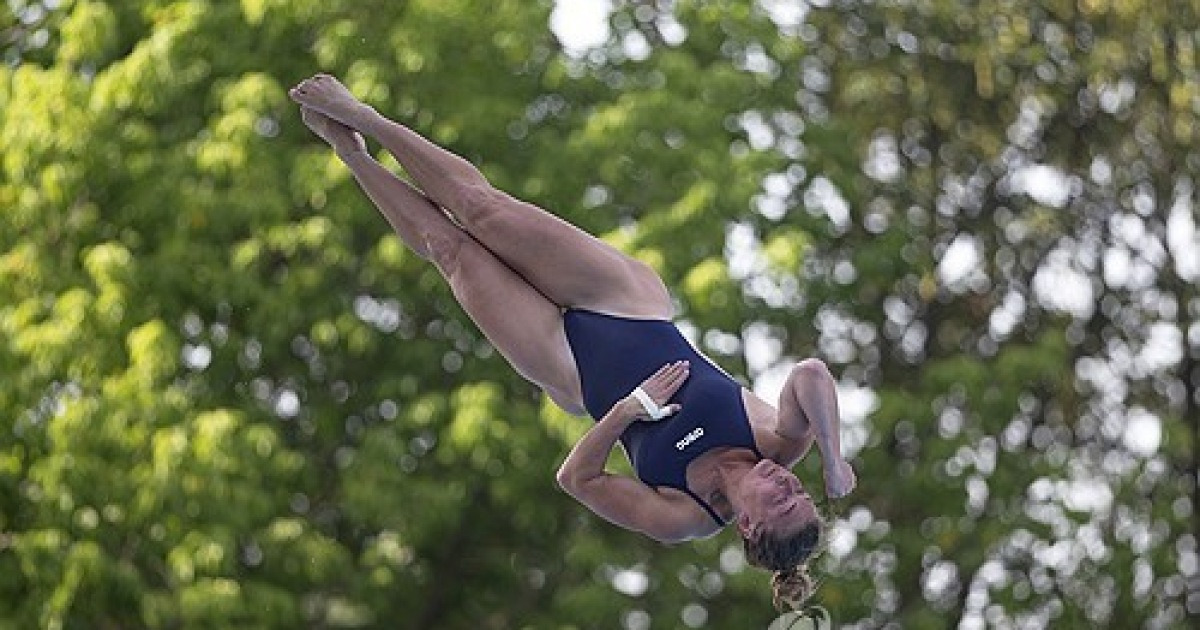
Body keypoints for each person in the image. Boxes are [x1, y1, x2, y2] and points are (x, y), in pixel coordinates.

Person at [288, 73, 857, 610]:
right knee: (484, 213)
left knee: (453, 252)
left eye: (782, 501)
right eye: (800, 492)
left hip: (570, 368)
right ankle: (361, 114)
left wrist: (628, 411)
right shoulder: (779, 444)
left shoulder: (684, 516)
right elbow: (809, 373)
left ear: (750, 526)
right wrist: (832, 460)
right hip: (624, 305)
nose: (787, 482)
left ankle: (352, 153)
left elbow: (576, 478)